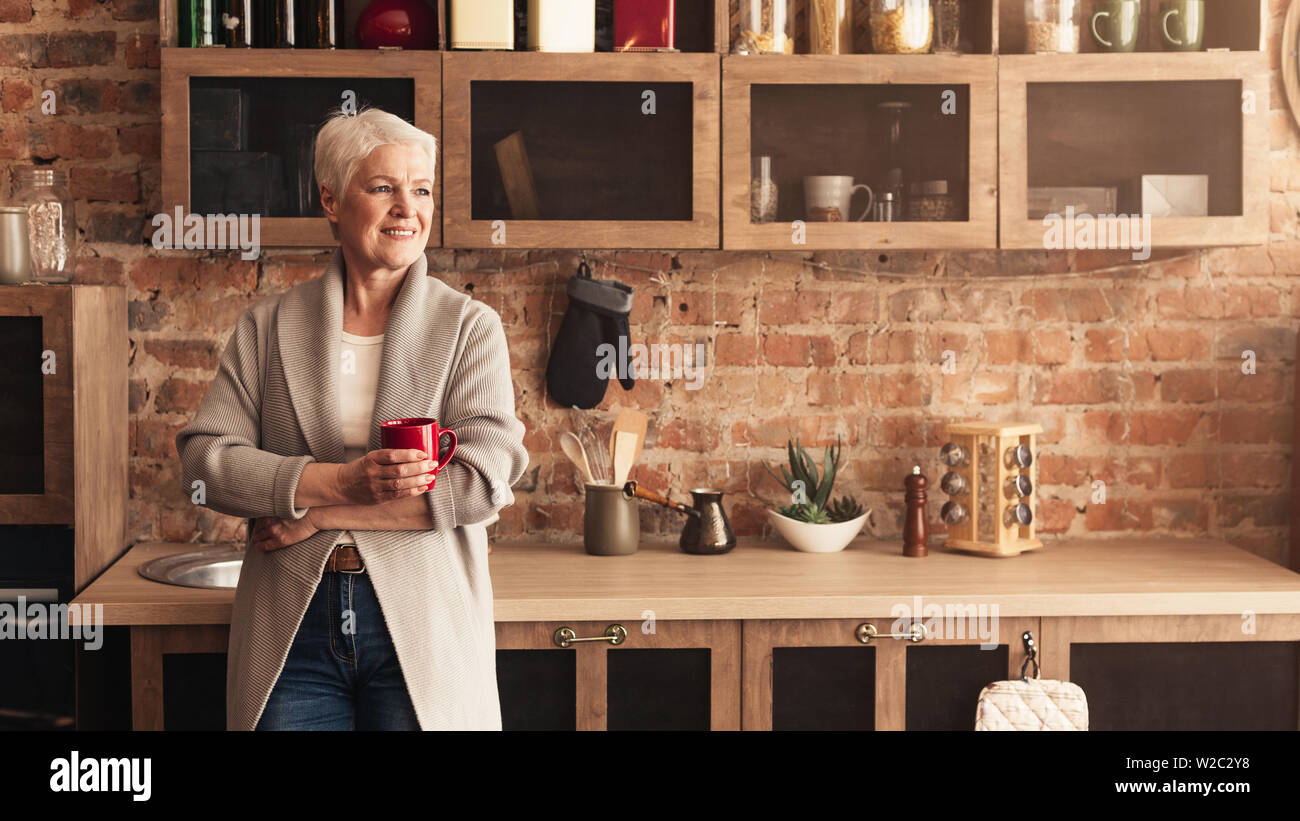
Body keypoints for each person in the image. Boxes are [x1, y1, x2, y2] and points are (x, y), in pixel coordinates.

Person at [176, 108, 528, 730]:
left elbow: (479, 484)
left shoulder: (470, 328)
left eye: (421, 190)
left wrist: (320, 514)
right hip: (291, 627)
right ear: (332, 201)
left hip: (422, 620)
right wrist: (340, 480)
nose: (407, 209)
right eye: (383, 187)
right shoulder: (266, 326)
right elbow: (206, 464)